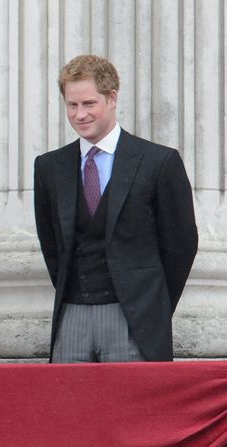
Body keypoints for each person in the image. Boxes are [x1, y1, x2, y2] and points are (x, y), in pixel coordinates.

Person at [34, 55, 197, 363]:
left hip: (134, 318)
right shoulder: (49, 167)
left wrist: (151, 306)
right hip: (72, 316)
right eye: (72, 105)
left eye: (89, 103)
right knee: (68, 409)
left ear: (111, 98)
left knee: (134, 410)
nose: (80, 114)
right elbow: (52, 246)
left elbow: (181, 245)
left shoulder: (159, 162)